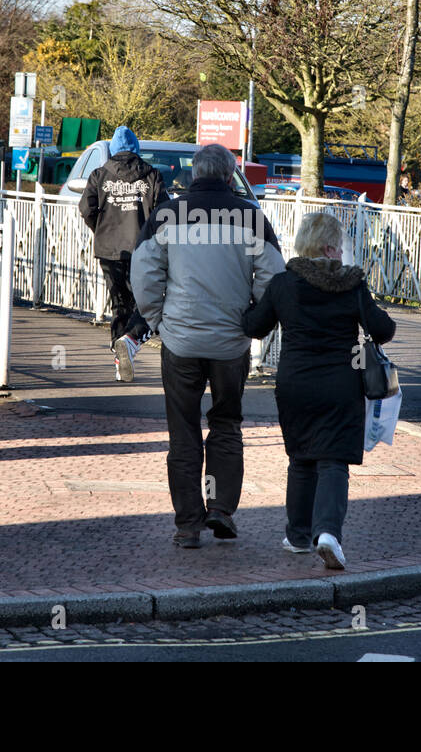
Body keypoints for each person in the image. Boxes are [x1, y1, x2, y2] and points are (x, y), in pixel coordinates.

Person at [131, 143, 285, 549]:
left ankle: (187, 524)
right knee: (227, 424)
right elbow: (274, 278)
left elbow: (144, 274)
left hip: (180, 340)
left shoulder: (168, 214)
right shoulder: (251, 217)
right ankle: (220, 508)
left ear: (194, 174)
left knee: (182, 434)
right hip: (231, 343)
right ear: (231, 174)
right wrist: (253, 321)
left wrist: (158, 320)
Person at [243, 212, 395, 570]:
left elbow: (254, 326)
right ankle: (327, 533)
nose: (342, 254)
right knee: (333, 461)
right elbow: (382, 330)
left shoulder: (283, 284)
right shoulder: (352, 285)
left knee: (301, 459)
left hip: (295, 384)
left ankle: (297, 536)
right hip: (340, 385)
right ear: (328, 248)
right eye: (340, 247)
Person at [81, 126, 169, 381]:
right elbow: (163, 214)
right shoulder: (152, 176)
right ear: (136, 149)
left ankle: (120, 357)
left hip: (109, 249)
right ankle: (129, 342)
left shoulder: (99, 175)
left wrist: (99, 228)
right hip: (143, 250)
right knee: (147, 302)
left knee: (119, 303)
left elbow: (87, 208)